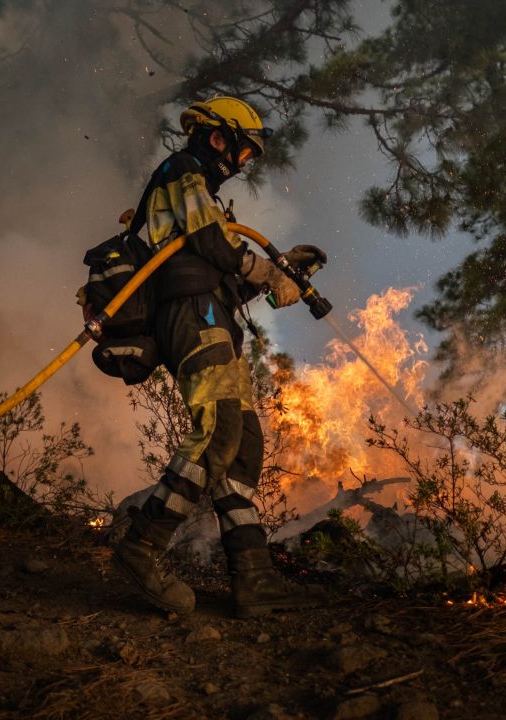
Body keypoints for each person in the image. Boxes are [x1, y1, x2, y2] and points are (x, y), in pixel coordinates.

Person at [112, 96, 325, 617]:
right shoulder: (182, 170)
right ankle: (140, 548)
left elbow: (223, 272)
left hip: (214, 314)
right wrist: (266, 270)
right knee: (220, 430)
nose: (245, 162)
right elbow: (212, 247)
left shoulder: (201, 194)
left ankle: (253, 579)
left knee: (244, 446)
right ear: (217, 138)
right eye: (245, 151)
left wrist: (282, 275)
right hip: (191, 315)